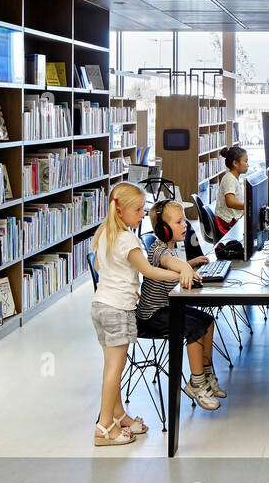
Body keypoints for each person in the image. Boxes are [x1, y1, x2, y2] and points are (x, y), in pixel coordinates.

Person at [90, 182, 191, 446]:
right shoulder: (128, 239)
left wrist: (122, 283)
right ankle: (104, 428)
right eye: (137, 210)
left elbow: (101, 266)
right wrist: (181, 272)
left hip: (101, 305)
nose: (142, 215)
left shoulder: (105, 234)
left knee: (111, 367)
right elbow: (148, 271)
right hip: (118, 310)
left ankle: (118, 415)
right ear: (120, 211)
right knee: (115, 368)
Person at [138, 200, 226, 410]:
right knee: (194, 328)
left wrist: (191, 264)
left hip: (167, 308)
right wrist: (184, 268)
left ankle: (205, 373)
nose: (185, 225)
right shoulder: (158, 250)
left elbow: (176, 264)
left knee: (207, 320)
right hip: (151, 317)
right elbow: (170, 263)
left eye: (184, 220)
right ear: (163, 229)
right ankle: (196, 383)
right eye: (179, 222)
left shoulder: (169, 248)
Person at [215, 146, 247, 235]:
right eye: (245, 161)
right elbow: (230, 202)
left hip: (230, 219)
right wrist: (248, 206)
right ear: (235, 163)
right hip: (226, 223)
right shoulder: (229, 179)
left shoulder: (233, 178)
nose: (247, 164)